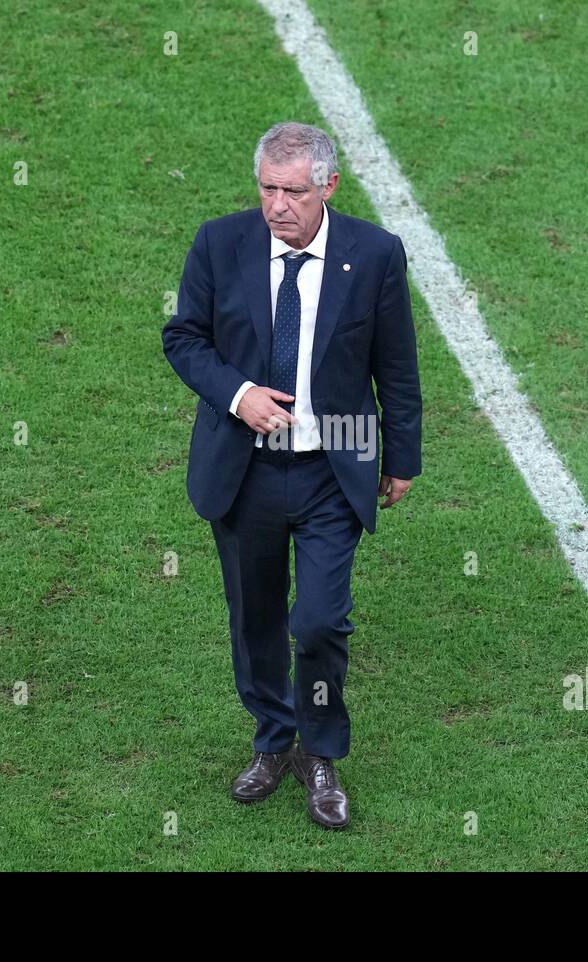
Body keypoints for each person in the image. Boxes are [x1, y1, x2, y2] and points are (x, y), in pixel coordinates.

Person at [161, 121, 422, 829]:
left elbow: (395, 365)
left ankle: (322, 752)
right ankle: (274, 741)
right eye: (268, 189)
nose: (278, 206)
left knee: (319, 621)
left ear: (328, 187)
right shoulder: (221, 243)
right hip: (243, 472)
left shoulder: (374, 256)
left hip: (330, 471)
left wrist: (402, 457)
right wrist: (239, 394)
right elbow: (182, 337)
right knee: (255, 620)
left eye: (294, 192)